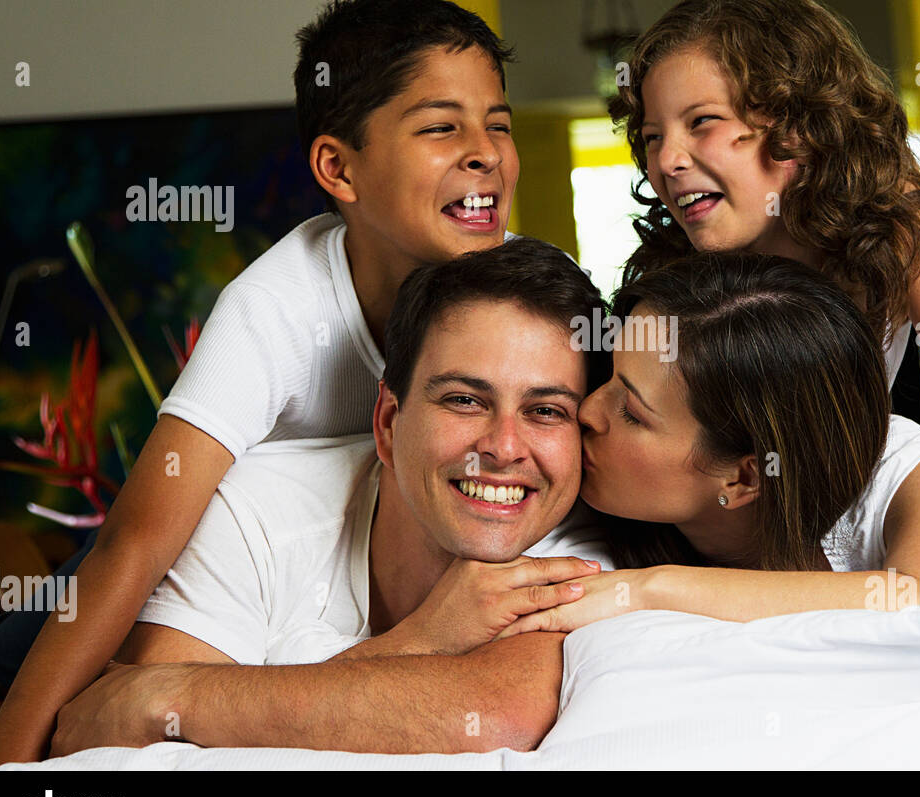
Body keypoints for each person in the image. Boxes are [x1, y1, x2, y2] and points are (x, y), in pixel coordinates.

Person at [0, 0, 577, 769]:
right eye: (440, 126)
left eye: (497, 122)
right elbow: (137, 542)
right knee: (28, 661)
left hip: (361, 562)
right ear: (339, 168)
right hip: (158, 565)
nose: (486, 150)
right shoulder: (274, 309)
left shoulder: (536, 296)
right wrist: (5, 768)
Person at [603, 0, 920, 653]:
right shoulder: (677, 268)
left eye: (701, 122)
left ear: (793, 124)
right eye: (651, 135)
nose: (667, 159)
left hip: (834, 527)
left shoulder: (895, 228)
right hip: (715, 536)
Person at [51, 238, 614, 757]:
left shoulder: (585, 533)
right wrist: (423, 641)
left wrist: (172, 696)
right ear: (389, 421)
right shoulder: (249, 507)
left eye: (546, 411)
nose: (503, 448)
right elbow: (125, 747)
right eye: (465, 400)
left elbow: (490, 715)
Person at [499, 252, 920, 639]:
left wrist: (653, 589)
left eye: (631, 412)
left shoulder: (901, 467)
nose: (586, 411)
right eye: (608, 375)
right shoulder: (564, 481)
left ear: (744, 477)